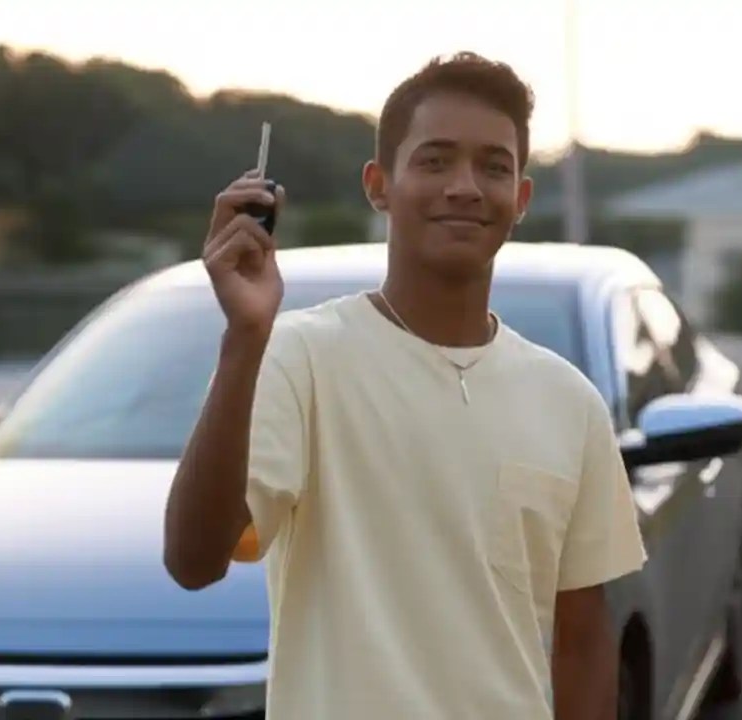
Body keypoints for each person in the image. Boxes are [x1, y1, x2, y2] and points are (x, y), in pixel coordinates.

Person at [163, 51, 647, 719]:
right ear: (379, 184)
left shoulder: (571, 403)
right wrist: (244, 338)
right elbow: (194, 560)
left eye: (494, 167)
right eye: (435, 160)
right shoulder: (299, 357)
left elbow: (583, 639)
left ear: (522, 199)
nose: (465, 187)